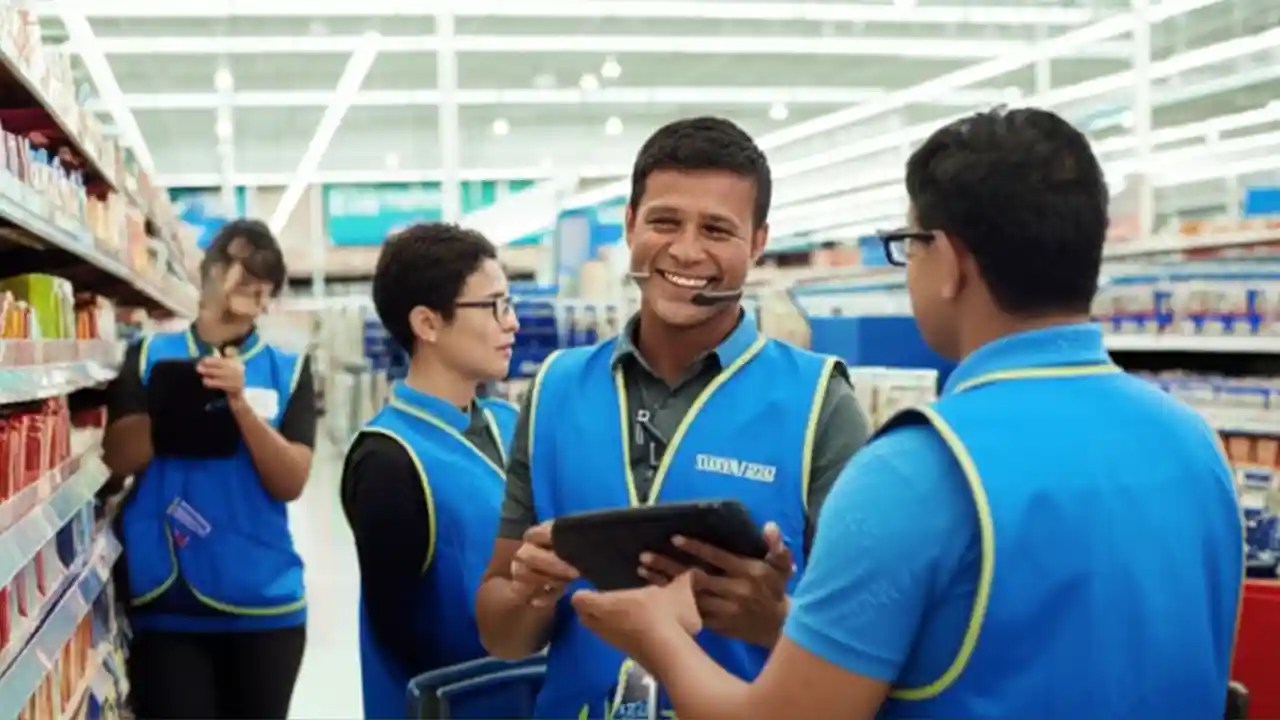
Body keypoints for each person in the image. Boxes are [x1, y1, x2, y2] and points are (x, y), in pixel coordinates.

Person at [570, 107, 1245, 719]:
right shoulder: (1194, 445)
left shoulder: (918, 472)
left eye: (911, 244)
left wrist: (657, 635)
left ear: (949, 263)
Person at [474, 116, 871, 719]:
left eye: (717, 229)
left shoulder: (820, 404)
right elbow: (501, 636)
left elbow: (869, 652)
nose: (686, 251)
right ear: (630, 224)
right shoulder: (554, 389)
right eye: (664, 221)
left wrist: (776, 622)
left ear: (758, 242)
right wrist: (530, 593)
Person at [105, 219, 316, 719]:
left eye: (263, 273)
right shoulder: (150, 356)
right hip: (168, 603)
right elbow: (116, 457)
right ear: (210, 270)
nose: (249, 278)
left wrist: (240, 405)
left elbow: (290, 480)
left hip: (263, 602)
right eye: (239, 264)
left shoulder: (288, 368)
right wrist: (179, 404)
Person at [340, 223, 520, 719]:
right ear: (428, 323)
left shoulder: (512, 425)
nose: (514, 323)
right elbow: (404, 632)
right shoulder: (389, 460)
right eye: (495, 306)